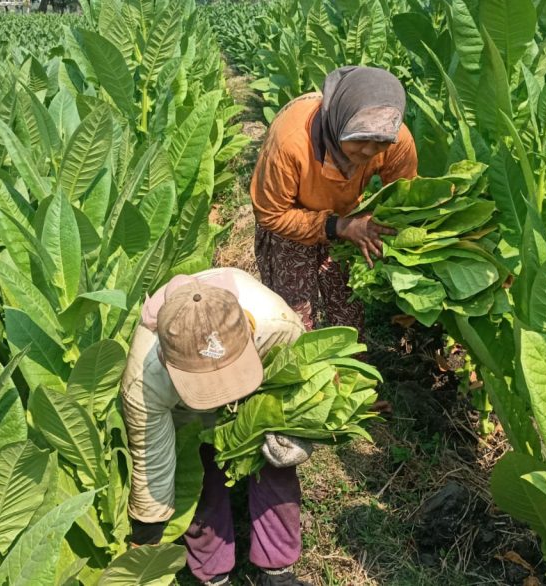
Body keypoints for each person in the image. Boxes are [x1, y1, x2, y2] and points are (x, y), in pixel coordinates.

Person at [122, 268, 316, 586]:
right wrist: (146, 537)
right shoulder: (146, 378)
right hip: (189, 417)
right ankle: (213, 575)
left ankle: (277, 572)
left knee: (275, 463)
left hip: (258, 394)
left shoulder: (277, 323)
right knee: (198, 476)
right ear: (165, 358)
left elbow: (306, 388)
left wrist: (298, 434)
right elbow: (151, 460)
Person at [251, 66, 418, 333]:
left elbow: (406, 196)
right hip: (289, 222)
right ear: (341, 120)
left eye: (380, 143)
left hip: (348, 217)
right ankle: (300, 372)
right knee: (294, 316)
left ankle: (351, 370)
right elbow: (271, 213)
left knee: (347, 306)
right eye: (360, 138)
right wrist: (337, 226)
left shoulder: (397, 140)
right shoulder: (290, 142)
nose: (369, 151)